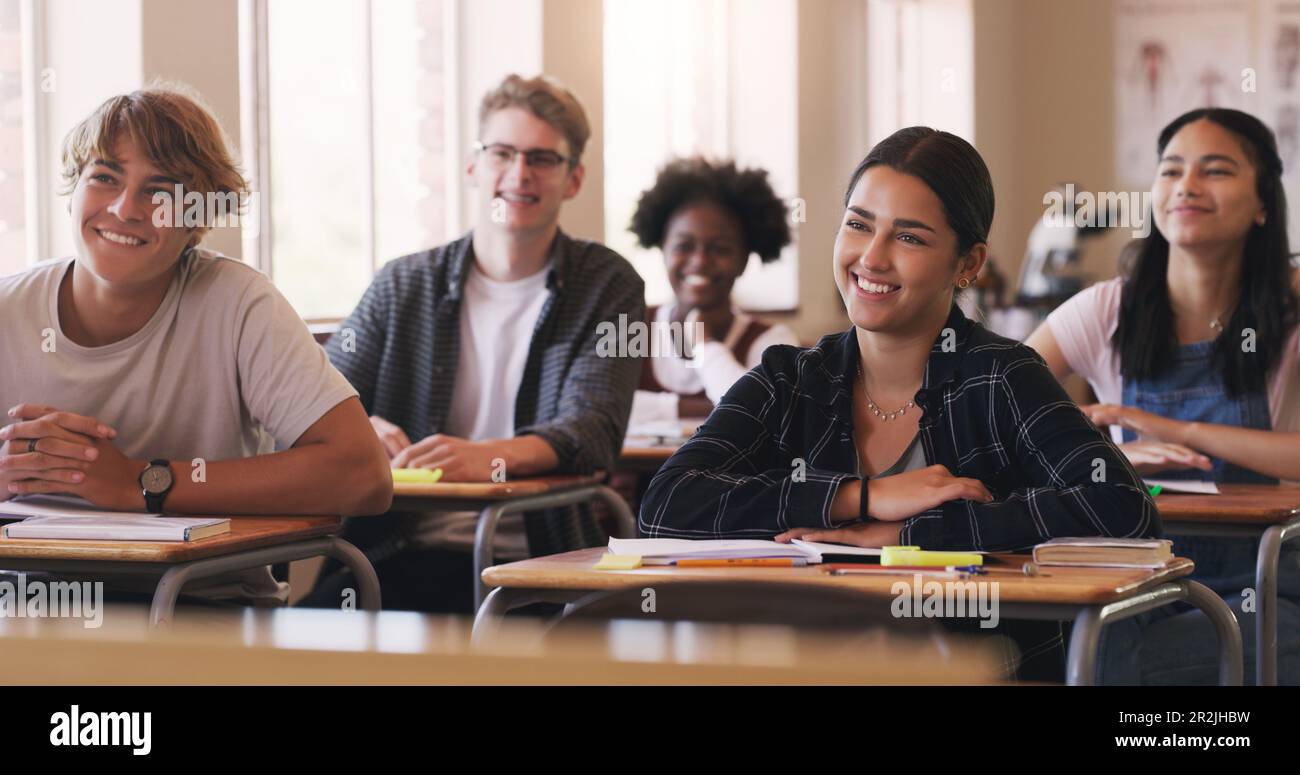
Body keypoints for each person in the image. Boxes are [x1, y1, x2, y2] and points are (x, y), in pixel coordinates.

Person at [639, 126, 1158, 680]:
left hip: (964, 656)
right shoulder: (788, 378)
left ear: (967, 264)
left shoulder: (1002, 376)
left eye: (909, 238)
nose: (872, 257)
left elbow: (1125, 508)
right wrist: (861, 496)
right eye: (859, 225)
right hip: (807, 651)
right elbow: (666, 503)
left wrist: (914, 536)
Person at [0, 84, 392, 602]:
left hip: (203, 608)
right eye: (104, 177)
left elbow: (364, 475)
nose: (125, 208)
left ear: (198, 219)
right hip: (27, 604)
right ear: (74, 189)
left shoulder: (240, 303)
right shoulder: (9, 309)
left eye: (160, 192)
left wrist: (140, 483)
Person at [304, 74, 645, 613]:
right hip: (397, 549)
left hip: (542, 559)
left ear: (574, 179)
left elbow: (594, 430)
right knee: (302, 642)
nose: (519, 174)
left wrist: (486, 459)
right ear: (472, 167)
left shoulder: (608, 283)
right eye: (502, 153)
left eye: (542, 159)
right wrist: (358, 427)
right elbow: (313, 400)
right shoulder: (403, 282)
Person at [1026, 107, 1300, 684]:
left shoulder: (1292, 307)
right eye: (1171, 170)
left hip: (1272, 581)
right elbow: (995, 419)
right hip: (1144, 575)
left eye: (1216, 170)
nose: (1187, 187)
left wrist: (1177, 430)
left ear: (1263, 204)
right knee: (1094, 644)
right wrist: (1105, 454)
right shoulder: (1107, 310)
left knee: (1125, 663)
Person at [628, 158, 800, 418]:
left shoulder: (772, 342)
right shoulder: (632, 329)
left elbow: (767, 415)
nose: (700, 262)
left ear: (743, 261)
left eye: (720, 249)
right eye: (684, 246)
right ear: (663, 251)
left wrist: (704, 343)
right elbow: (601, 408)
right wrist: (708, 410)